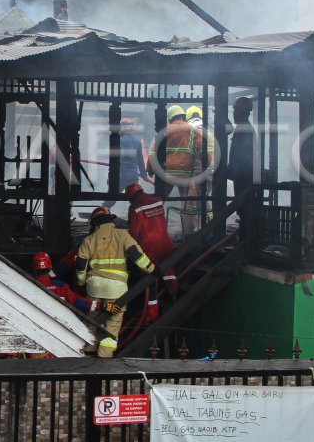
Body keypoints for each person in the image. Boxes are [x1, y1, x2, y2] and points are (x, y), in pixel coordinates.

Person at [75, 207, 155, 357]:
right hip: (116, 291)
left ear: (95, 224)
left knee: (94, 320)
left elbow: (80, 263)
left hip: (95, 288)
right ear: (110, 220)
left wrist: (81, 282)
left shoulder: (89, 240)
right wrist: (151, 269)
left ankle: (89, 353)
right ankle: (104, 359)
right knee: (112, 323)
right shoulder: (123, 235)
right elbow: (136, 255)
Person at [148, 104, 207, 239]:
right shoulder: (192, 130)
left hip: (167, 172)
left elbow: (153, 151)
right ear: (183, 116)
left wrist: (150, 169)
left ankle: (151, 227)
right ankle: (189, 231)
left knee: (158, 200)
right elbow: (200, 148)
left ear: (170, 117)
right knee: (188, 202)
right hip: (186, 173)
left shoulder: (165, 130)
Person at [228, 96, 258, 235]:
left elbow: (243, 157)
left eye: (236, 111)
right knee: (243, 208)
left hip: (244, 177)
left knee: (245, 207)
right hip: (242, 176)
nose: (234, 114)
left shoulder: (245, 130)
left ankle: (246, 240)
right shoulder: (243, 128)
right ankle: (245, 237)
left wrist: (231, 170)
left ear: (243, 112)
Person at [32, 252, 96, 311]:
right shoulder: (61, 287)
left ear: (34, 269)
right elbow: (77, 301)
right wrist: (99, 306)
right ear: (50, 267)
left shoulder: (28, 285)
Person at [116, 117, 148, 190]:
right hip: (133, 177)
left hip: (120, 177)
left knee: (111, 199)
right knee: (134, 199)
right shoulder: (137, 142)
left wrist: (110, 176)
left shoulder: (118, 141)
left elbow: (114, 161)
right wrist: (144, 175)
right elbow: (140, 162)